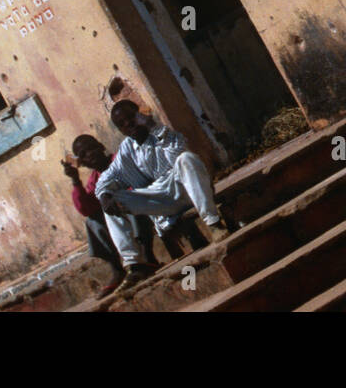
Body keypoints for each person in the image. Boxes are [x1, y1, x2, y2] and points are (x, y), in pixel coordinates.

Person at [94, 100, 230, 275]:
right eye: (122, 124)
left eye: (131, 117)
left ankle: (214, 224)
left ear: (139, 114)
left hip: (184, 190)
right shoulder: (127, 149)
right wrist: (105, 195)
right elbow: (105, 179)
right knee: (109, 202)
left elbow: (177, 152)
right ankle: (134, 264)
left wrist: (152, 126)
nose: (128, 124)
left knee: (187, 159)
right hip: (161, 203)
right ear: (120, 130)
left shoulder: (162, 132)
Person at [63, 134, 157, 293]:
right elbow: (86, 209)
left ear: (101, 146)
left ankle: (147, 255)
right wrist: (75, 180)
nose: (90, 154)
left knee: (121, 199)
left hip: (145, 207)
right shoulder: (95, 180)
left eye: (92, 148)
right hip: (123, 220)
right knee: (92, 221)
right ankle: (117, 268)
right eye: (84, 154)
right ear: (82, 163)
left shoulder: (119, 161)